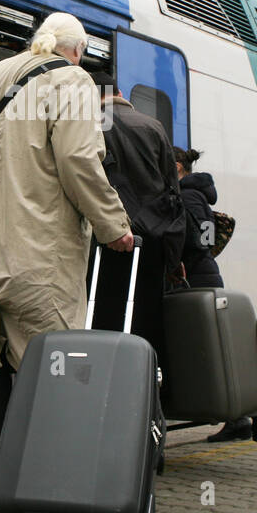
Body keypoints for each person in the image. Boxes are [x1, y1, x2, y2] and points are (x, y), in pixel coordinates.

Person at [0, 13, 134, 510]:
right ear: (76, 51)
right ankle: (48, 484)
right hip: (38, 251)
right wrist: (114, 227)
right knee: (52, 365)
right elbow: (78, 161)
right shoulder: (73, 79)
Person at [87, 71, 184, 357]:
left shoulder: (92, 126)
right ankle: (149, 390)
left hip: (106, 240)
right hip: (152, 243)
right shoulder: (154, 127)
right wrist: (175, 256)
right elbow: (173, 193)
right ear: (119, 93)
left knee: (105, 320)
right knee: (146, 319)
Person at [174, 146, 248, 442]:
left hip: (196, 275)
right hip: (202, 272)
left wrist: (180, 256)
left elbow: (197, 237)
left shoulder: (188, 196)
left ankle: (238, 418)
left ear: (178, 166)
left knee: (206, 347)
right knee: (210, 346)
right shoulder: (198, 195)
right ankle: (237, 418)